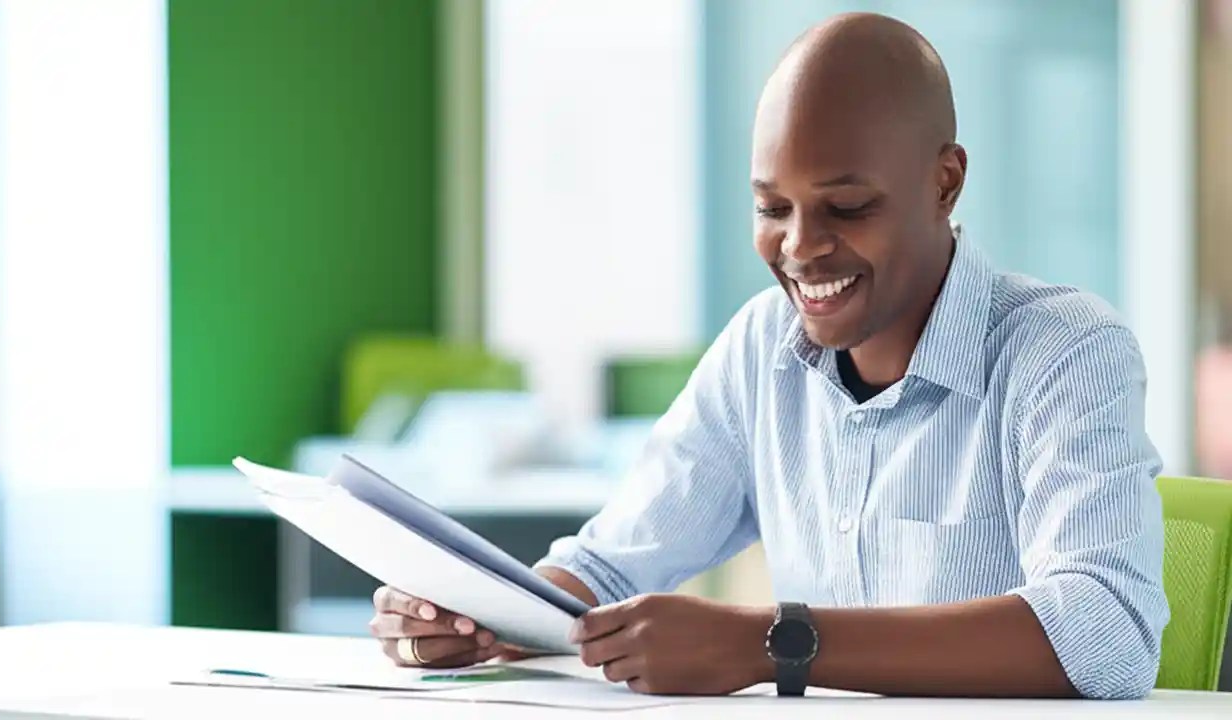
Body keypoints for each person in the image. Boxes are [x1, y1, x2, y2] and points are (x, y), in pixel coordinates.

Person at [370, 12, 1167, 700]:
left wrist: (773, 644)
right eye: (772, 208)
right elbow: (609, 571)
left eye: (846, 207)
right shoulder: (762, 349)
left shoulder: (1063, 351)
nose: (801, 246)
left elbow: (1107, 633)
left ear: (944, 183)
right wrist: (481, 620)